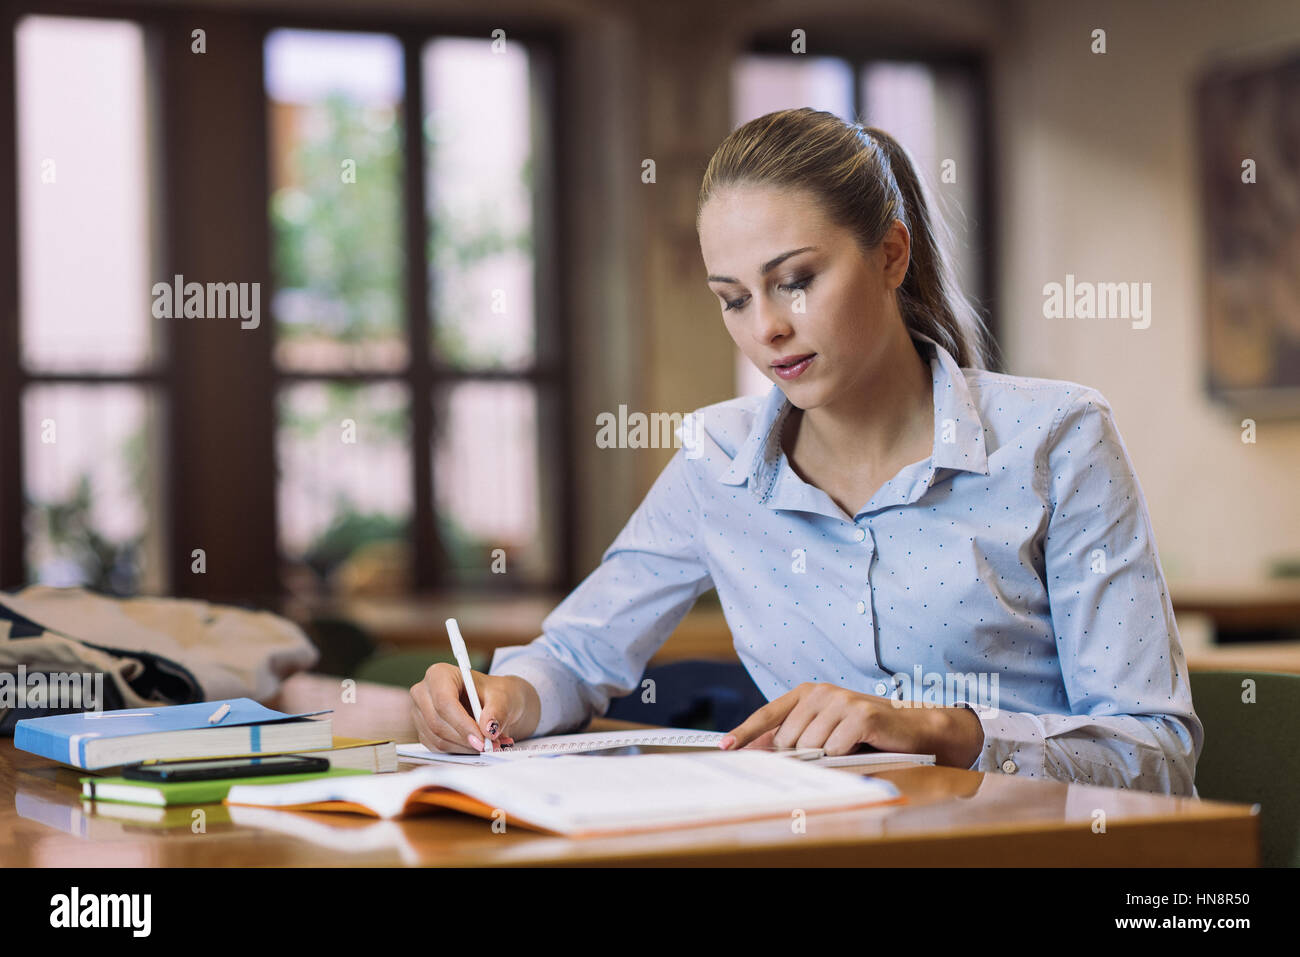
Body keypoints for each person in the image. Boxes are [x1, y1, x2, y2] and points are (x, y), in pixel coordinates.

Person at [409, 107, 1202, 795]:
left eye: (794, 280)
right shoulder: (717, 458)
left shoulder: (1058, 439)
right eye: (733, 299)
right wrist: (504, 694)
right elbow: (580, 654)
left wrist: (942, 729)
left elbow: (1157, 757)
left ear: (892, 255)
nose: (766, 329)